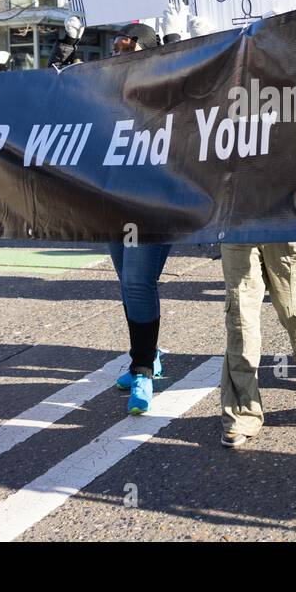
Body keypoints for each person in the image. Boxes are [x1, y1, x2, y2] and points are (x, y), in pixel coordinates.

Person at [102, 22, 177, 415]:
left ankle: (143, 370)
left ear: (147, 50)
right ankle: (149, 352)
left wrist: (181, 46)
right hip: (113, 202)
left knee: (137, 281)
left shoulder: (165, 89)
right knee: (127, 284)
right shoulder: (107, 90)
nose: (118, 54)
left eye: (126, 46)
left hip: (153, 204)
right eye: (114, 47)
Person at [218, 242, 296, 448]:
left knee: (295, 311)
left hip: (283, 225)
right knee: (240, 320)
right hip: (236, 226)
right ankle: (242, 413)